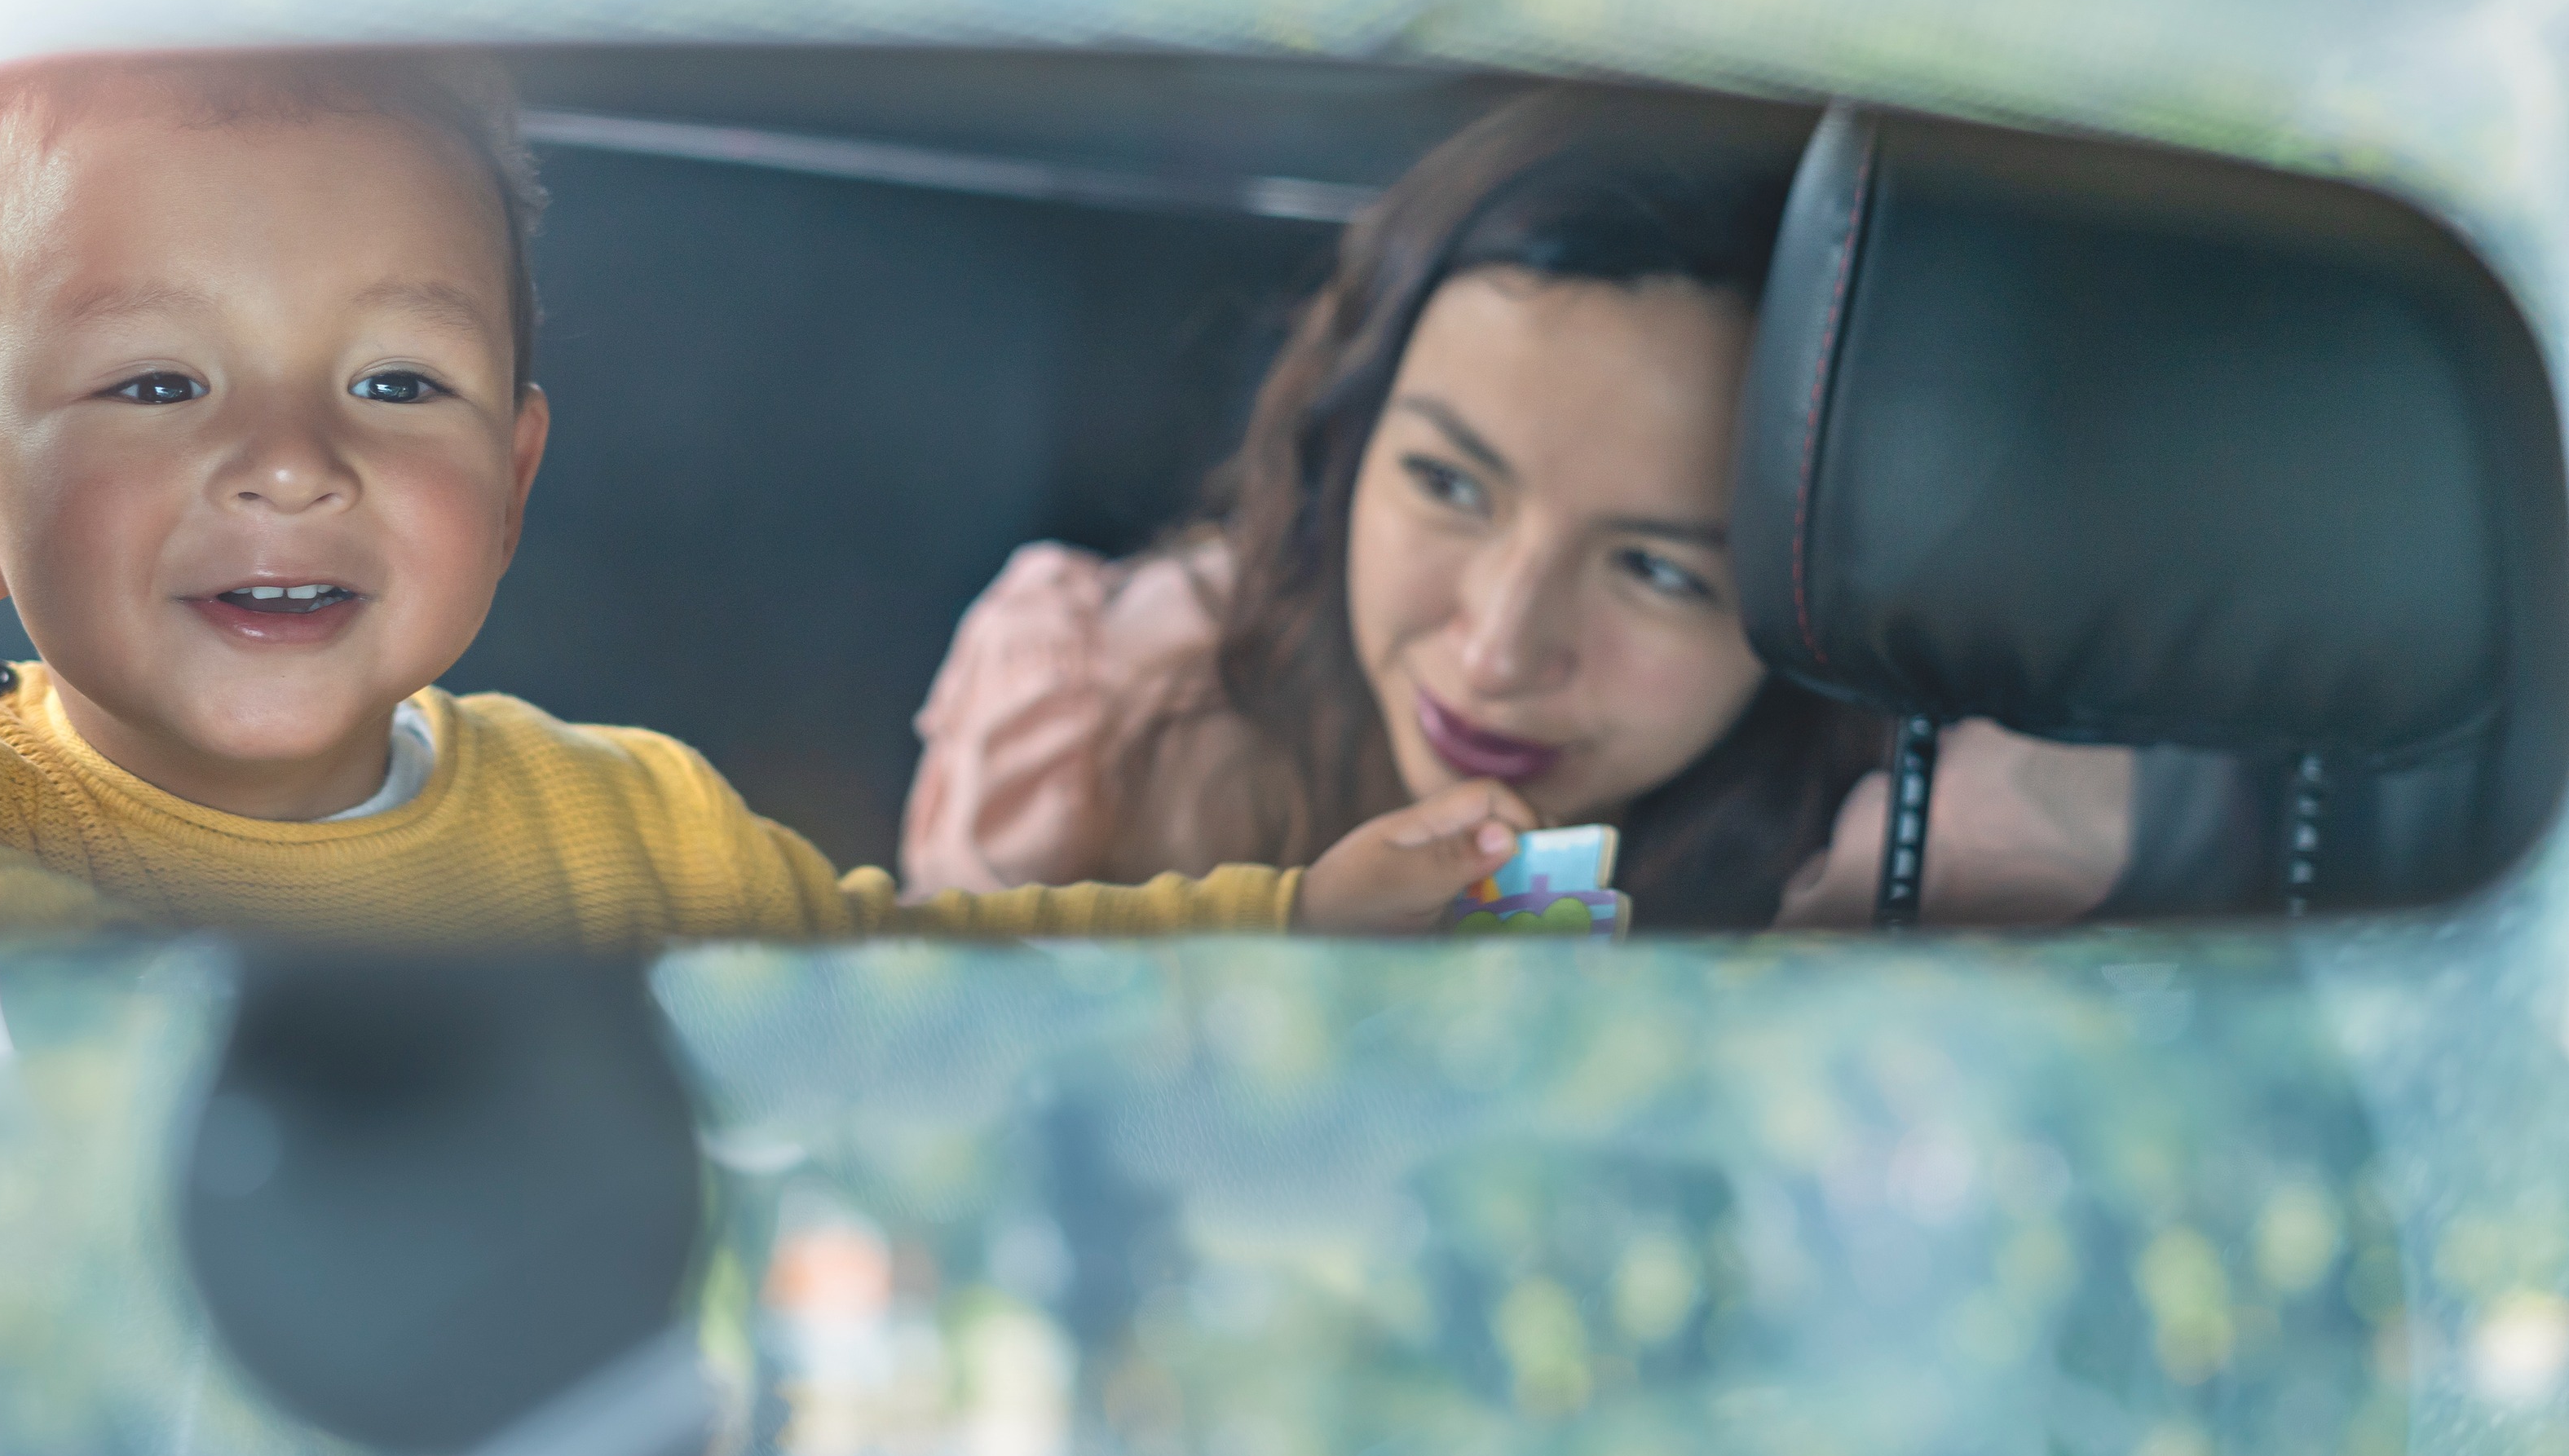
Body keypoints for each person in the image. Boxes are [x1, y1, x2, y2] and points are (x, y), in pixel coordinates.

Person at [0, 51, 1536, 951]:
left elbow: (924, 970)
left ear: (511, 476)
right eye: (159, 381)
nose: (294, 458)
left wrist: (1288, 918)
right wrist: (140, 969)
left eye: (399, 384)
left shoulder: (632, 825)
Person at [903, 90, 2131, 930]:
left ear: (1817, 593)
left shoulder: (1928, 814)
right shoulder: (1109, 713)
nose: (1497, 649)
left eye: (1658, 570)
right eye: (1447, 484)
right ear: (1344, 442)